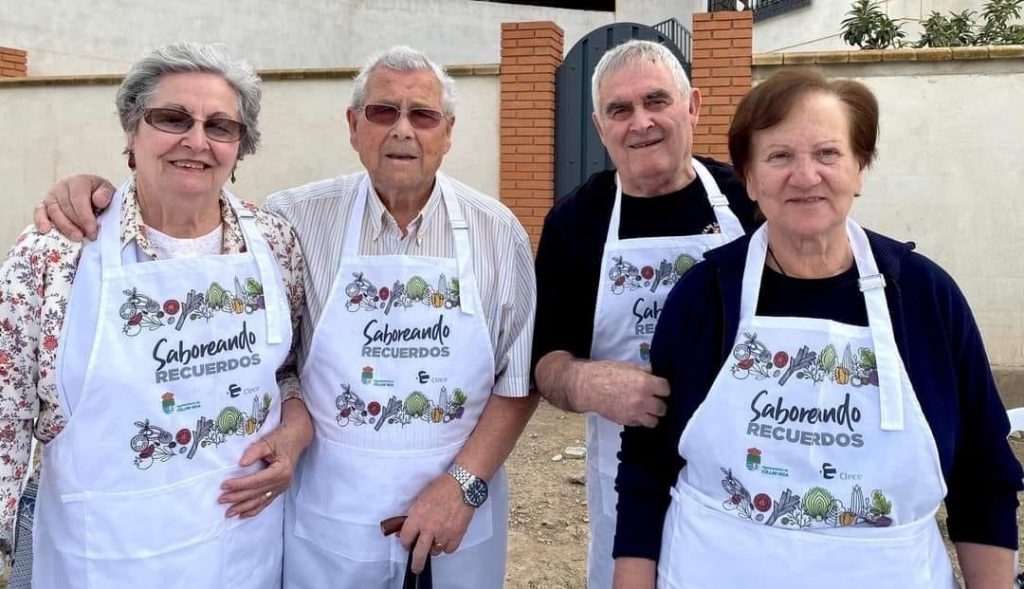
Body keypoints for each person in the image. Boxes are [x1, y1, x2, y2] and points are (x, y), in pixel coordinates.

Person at [34, 45, 537, 588]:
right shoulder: (291, 221)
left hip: (457, 516)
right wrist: (95, 192)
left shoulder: (497, 231)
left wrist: (464, 485)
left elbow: (517, 376)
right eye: (383, 111)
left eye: (423, 115)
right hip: (328, 523)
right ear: (353, 124)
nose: (403, 131)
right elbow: (275, 356)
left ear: (449, 131)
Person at [613, 68, 1022, 589]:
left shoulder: (925, 297)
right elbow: (648, 460)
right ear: (752, 179)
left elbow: (983, 473)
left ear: (859, 170)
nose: (805, 177)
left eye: (827, 154)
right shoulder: (704, 296)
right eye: (779, 156)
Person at [0, 41, 312, 588]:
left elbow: (289, 369)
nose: (196, 140)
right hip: (102, 558)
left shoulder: (276, 243)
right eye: (171, 118)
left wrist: (295, 426)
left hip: (242, 552)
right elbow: (7, 415)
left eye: (220, 127)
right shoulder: (54, 253)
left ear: (241, 148)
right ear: (131, 132)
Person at [531, 39, 757, 587]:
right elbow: (543, 360)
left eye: (656, 101)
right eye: (620, 109)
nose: (641, 123)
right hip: (626, 475)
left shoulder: (750, 202)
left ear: (693, 106)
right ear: (599, 125)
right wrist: (582, 382)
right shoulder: (574, 223)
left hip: (745, 468)